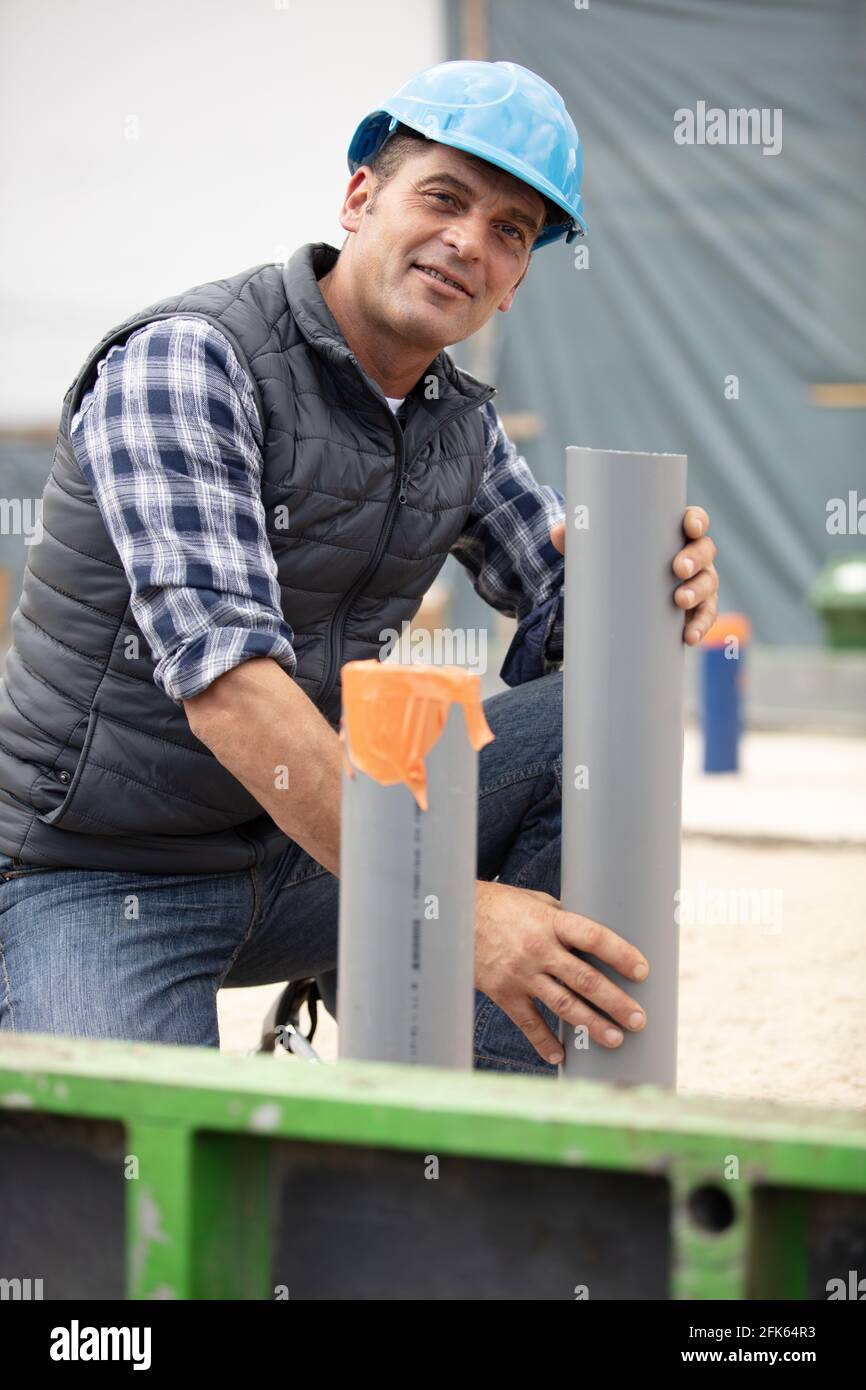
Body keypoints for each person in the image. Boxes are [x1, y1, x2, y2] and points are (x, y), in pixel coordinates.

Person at [0, 61, 718, 1073]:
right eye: (443, 197)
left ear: (515, 283)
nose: (469, 241)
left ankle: (483, 1122)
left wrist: (651, 588)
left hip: (306, 854)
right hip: (102, 870)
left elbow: (569, 625)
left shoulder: (453, 420)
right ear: (358, 197)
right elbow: (233, 692)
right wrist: (452, 909)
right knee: (135, 1185)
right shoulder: (191, 363)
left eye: (510, 230)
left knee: (586, 720)